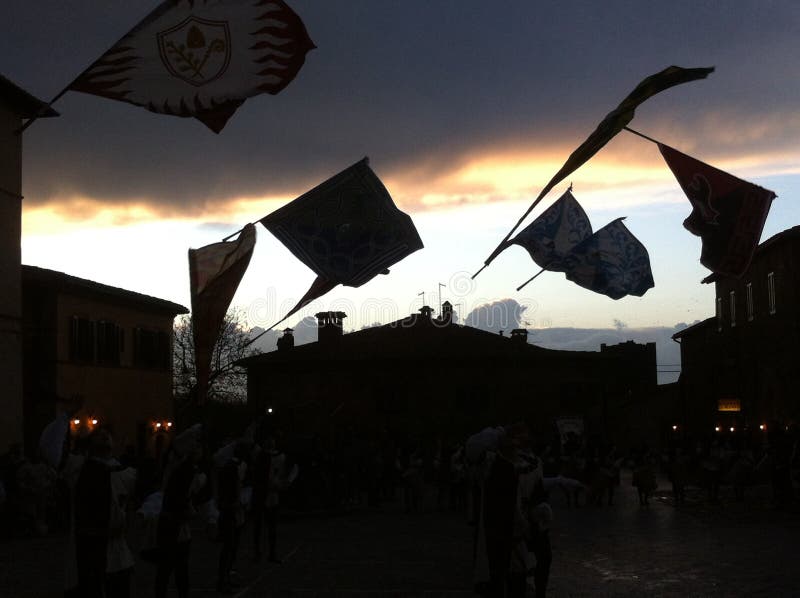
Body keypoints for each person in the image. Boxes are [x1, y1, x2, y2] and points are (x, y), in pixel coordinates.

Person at [155, 425, 204, 598]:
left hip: (178, 526)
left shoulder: (187, 471)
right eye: (197, 448)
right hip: (172, 525)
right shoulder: (179, 470)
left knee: (178, 569)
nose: (200, 451)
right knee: (168, 568)